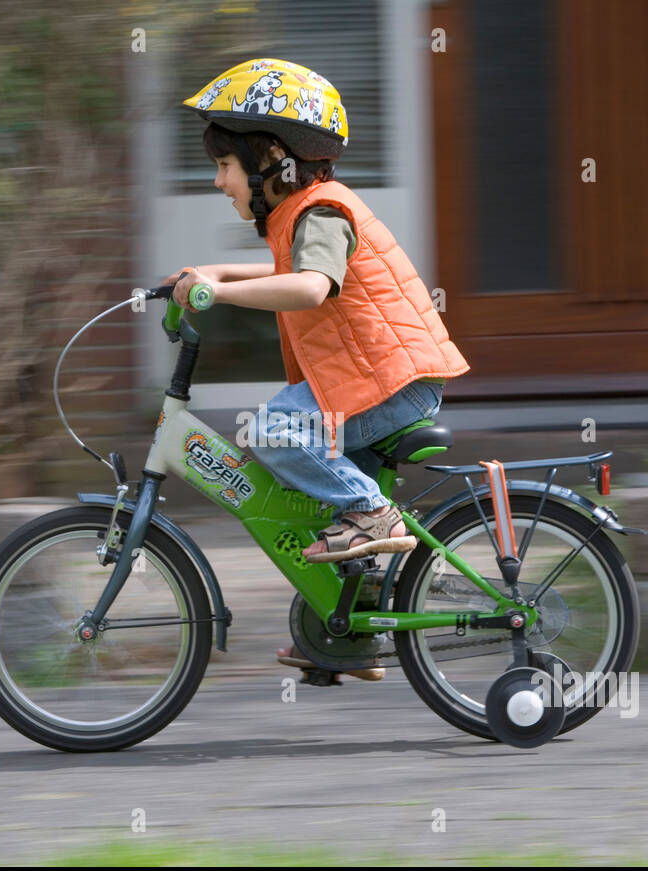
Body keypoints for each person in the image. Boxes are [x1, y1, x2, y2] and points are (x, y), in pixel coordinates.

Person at [166, 58, 470, 675]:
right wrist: (217, 273)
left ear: (273, 160)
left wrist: (218, 294)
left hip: (394, 381)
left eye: (225, 166)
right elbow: (294, 273)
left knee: (275, 431)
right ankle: (347, 636)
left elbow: (309, 287)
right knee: (312, 506)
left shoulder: (323, 211)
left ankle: (374, 514)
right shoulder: (301, 214)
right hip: (376, 380)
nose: (220, 182)